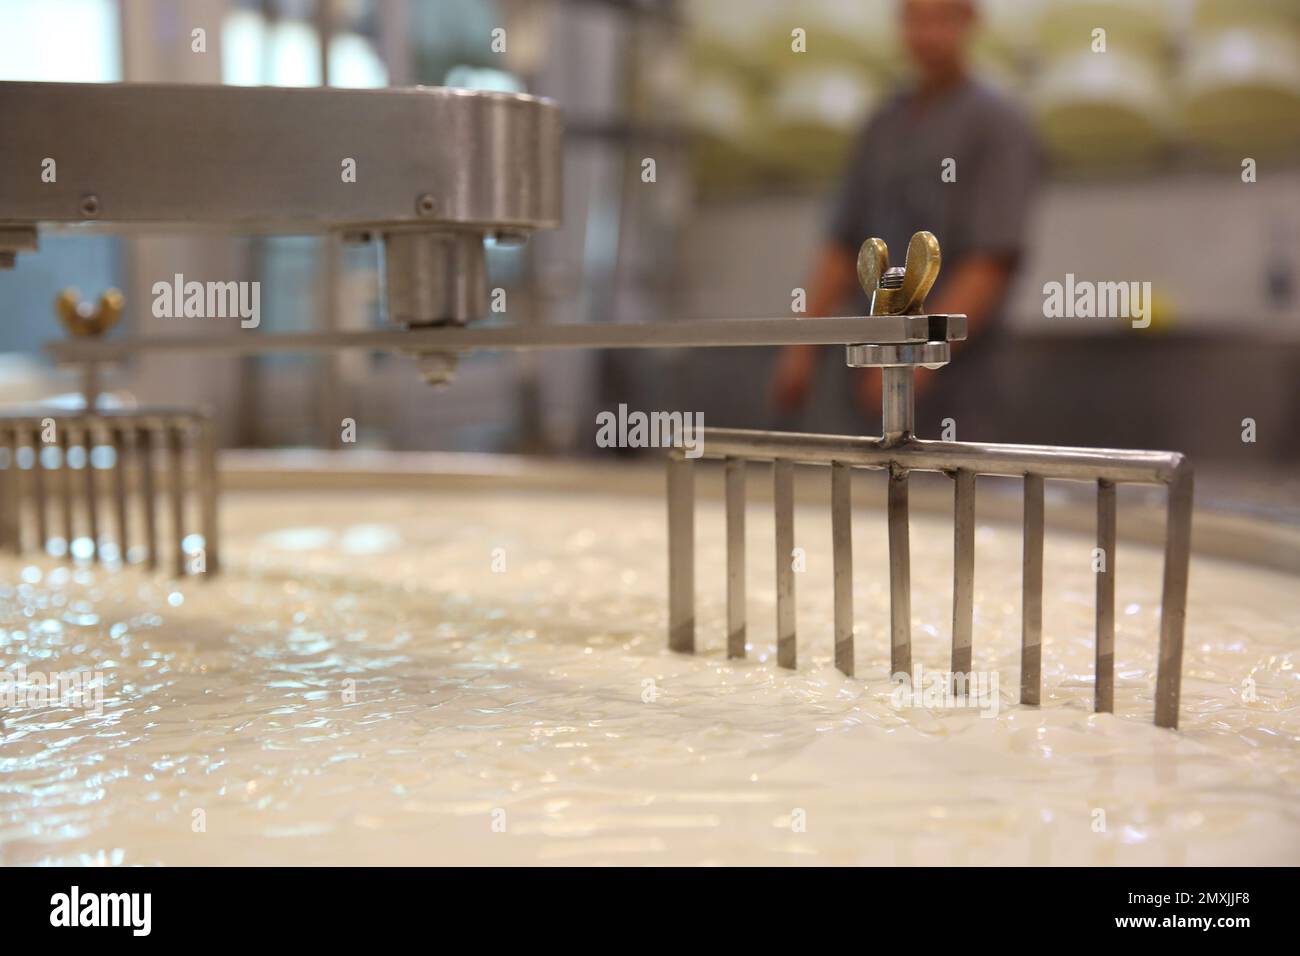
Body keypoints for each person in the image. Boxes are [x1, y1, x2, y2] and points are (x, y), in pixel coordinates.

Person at [770, 0, 1041, 439]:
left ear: (969, 21)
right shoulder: (882, 125)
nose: (927, 35)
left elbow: (991, 260)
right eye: (916, 20)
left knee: (949, 494)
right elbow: (844, 241)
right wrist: (802, 345)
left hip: (958, 381)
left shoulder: (999, 125)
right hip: (866, 371)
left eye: (941, 19)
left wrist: (914, 361)